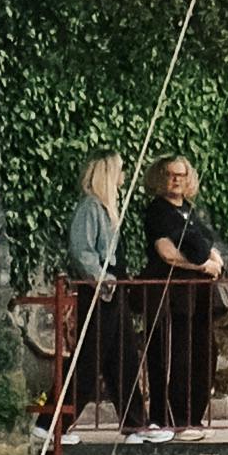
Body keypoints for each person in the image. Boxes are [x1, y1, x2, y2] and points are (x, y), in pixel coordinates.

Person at [142, 155, 227, 432]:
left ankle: (192, 415)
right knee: (171, 353)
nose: (176, 179)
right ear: (160, 177)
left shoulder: (189, 210)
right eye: (170, 174)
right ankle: (166, 415)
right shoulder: (157, 211)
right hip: (171, 294)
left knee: (203, 352)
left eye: (181, 174)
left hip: (197, 297)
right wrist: (204, 266)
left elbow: (207, 242)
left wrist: (215, 260)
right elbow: (166, 253)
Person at [63, 152, 133, 427]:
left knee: (123, 355)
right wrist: (103, 281)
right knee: (90, 360)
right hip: (102, 291)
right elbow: (82, 251)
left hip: (113, 290)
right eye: (120, 170)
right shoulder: (90, 208)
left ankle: (134, 421)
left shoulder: (105, 209)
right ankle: (52, 423)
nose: (124, 176)